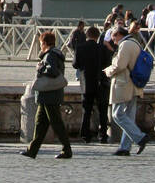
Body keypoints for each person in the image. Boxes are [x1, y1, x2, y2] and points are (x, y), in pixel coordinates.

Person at [21, 30, 71, 160]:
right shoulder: (55, 54)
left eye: (41, 43)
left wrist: (40, 68)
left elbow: (53, 71)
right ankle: (32, 150)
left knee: (56, 123)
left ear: (44, 43)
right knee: (40, 123)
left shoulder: (50, 55)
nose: (40, 46)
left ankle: (67, 149)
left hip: (50, 95)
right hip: (47, 96)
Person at [105, 26, 148, 157]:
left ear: (118, 34)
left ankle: (140, 137)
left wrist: (108, 71)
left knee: (117, 114)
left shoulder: (125, 44)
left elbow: (120, 65)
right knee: (129, 116)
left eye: (113, 37)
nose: (113, 41)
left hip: (124, 84)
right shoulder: (135, 42)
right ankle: (125, 147)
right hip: (134, 84)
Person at [75, 24, 109, 144]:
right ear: (98, 36)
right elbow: (107, 63)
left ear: (87, 35)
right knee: (102, 111)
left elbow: (75, 64)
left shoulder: (80, 48)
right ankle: (103, 135)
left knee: (87, 110)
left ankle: (85, 135)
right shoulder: (103, 48)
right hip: (101, 82)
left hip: (87, 83)